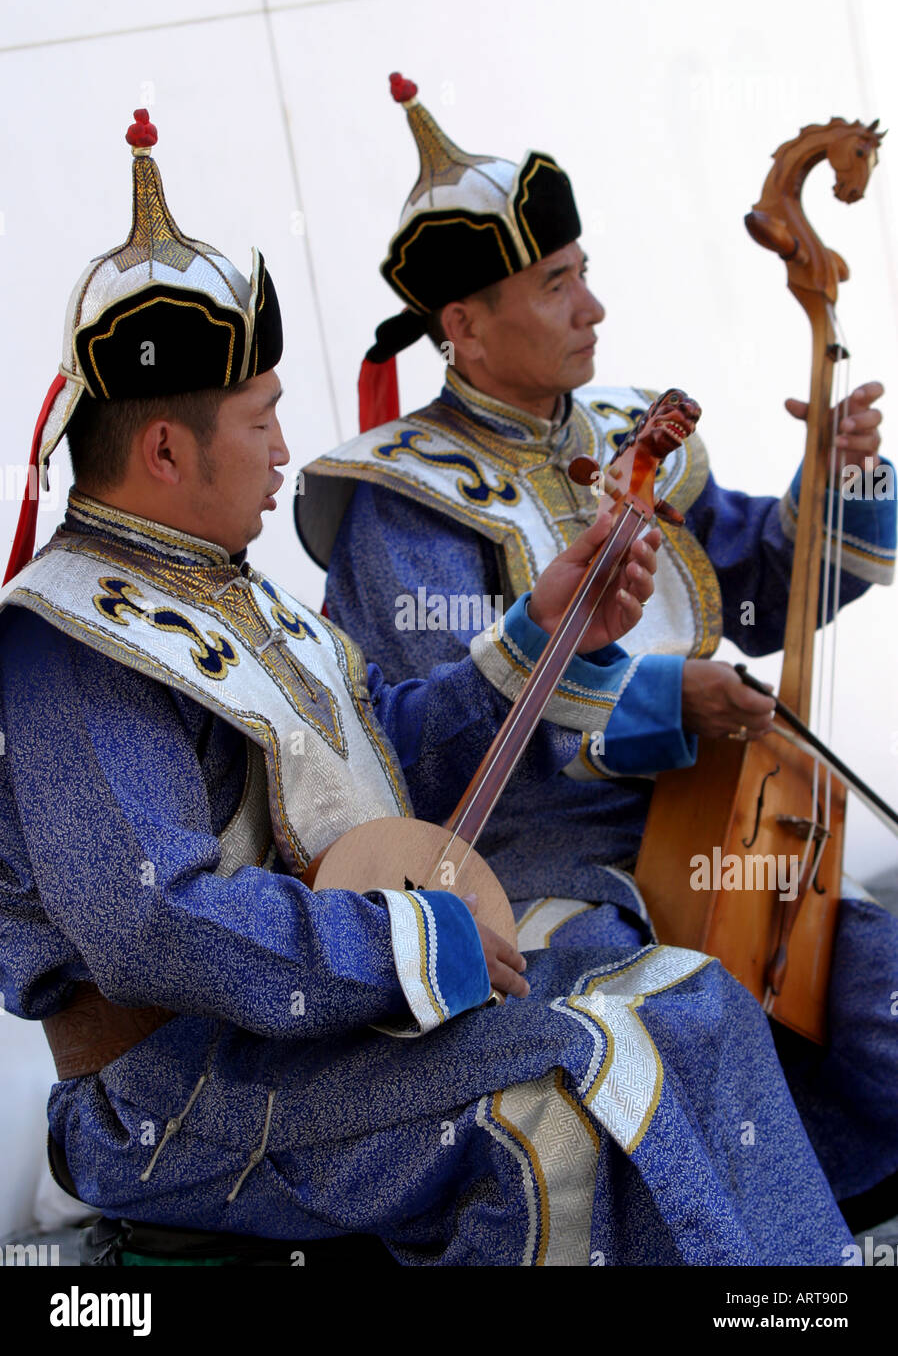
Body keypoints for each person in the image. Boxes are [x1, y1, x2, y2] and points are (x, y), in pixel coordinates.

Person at [0, 108, 862, 1268]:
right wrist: (405, 942)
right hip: (177, 1088)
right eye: (260, 421)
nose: (283, 449)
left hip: (305, 1014)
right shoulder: (67, 641)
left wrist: (535, 635)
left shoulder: (229, 590)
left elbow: (377, 758)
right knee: (549, 1104)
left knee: (687, 1001)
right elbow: (154, 923)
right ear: (164, 450)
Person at [294, 75, 898, 1218]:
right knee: (681, 1028)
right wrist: (671, 695)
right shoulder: (400, 500)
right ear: (461, 325)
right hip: (541, 885)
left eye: (583, 272)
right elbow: (423, 740)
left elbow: (762, 590)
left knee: (880, 986)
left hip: (710, 841)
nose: (594, 308)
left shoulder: (637, 434)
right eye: (556, 283)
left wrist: (839, 477)